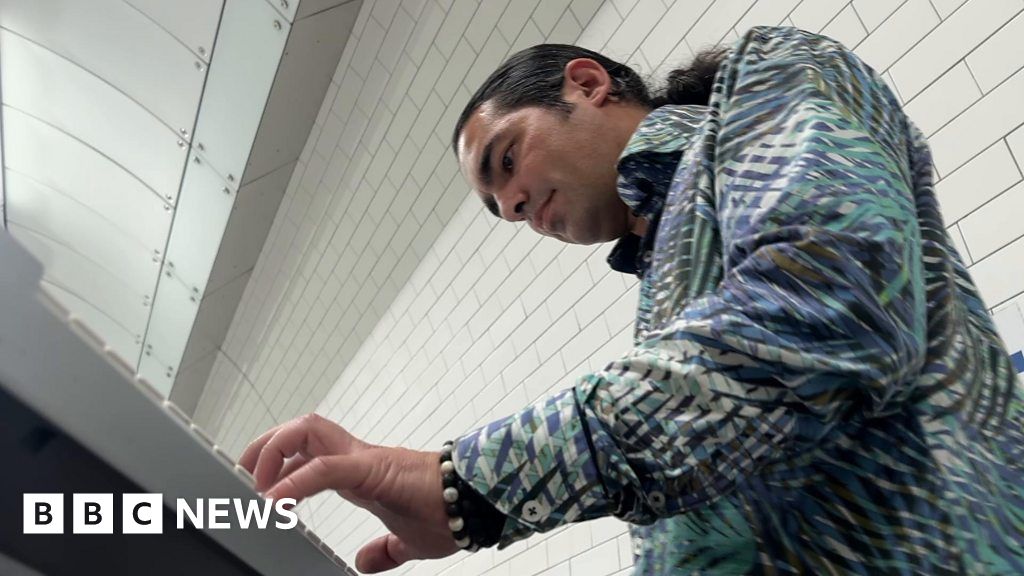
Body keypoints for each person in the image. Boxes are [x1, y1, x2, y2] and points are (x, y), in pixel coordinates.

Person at [241, 26, 1024, 574]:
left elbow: (829, 313)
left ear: (586, 83)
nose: (512, 206)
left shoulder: (771, 73)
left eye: (506, 160)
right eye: (496, 206)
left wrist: (466, 484)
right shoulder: (667, 300)